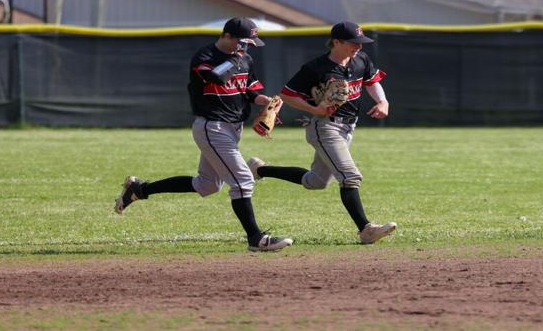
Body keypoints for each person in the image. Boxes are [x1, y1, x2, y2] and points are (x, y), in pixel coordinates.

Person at [113, 16, 292, 253]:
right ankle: (256, 239)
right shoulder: (205, 57)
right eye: (242, 41)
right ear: (227, 36)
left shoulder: (244, 59)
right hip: (212, 127)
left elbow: (250, 91)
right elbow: (216, 77)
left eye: (249, 43)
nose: (245, 47)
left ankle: (139, 190)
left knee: (207, 185)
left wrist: (265, 101)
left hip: (233, 127)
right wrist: (236, 59)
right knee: (243, 181)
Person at [248, 22, 397, 245]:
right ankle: (366, 229)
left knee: (316, 181)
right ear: (336, 42)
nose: (358, 47)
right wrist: (314, 109)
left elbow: (372, 81)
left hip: (348, 127)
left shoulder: (361, 60)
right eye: (353, 43)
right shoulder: (316, 68)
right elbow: (288, 95)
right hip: (325, 126)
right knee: (349, 176)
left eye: (361, 42)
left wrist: (383, 101)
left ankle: (260, 169)